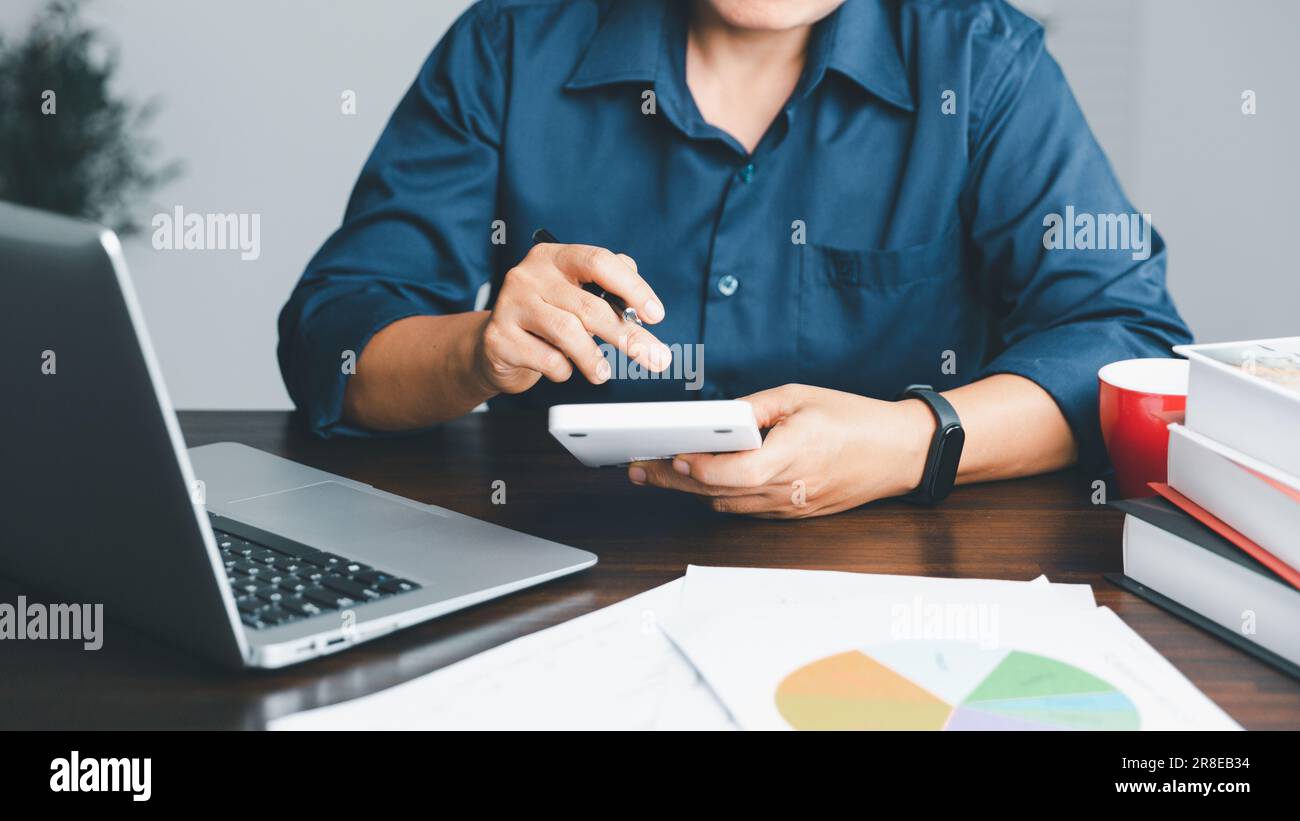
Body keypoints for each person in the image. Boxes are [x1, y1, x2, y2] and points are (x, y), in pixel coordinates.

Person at [278, 0, 1191, 518]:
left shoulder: (983, 61)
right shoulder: (512, 41)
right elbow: (336, 342)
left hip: (902, 585)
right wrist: (478, 347)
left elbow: (1122, 341)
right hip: (567, 572)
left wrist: (911, 442)